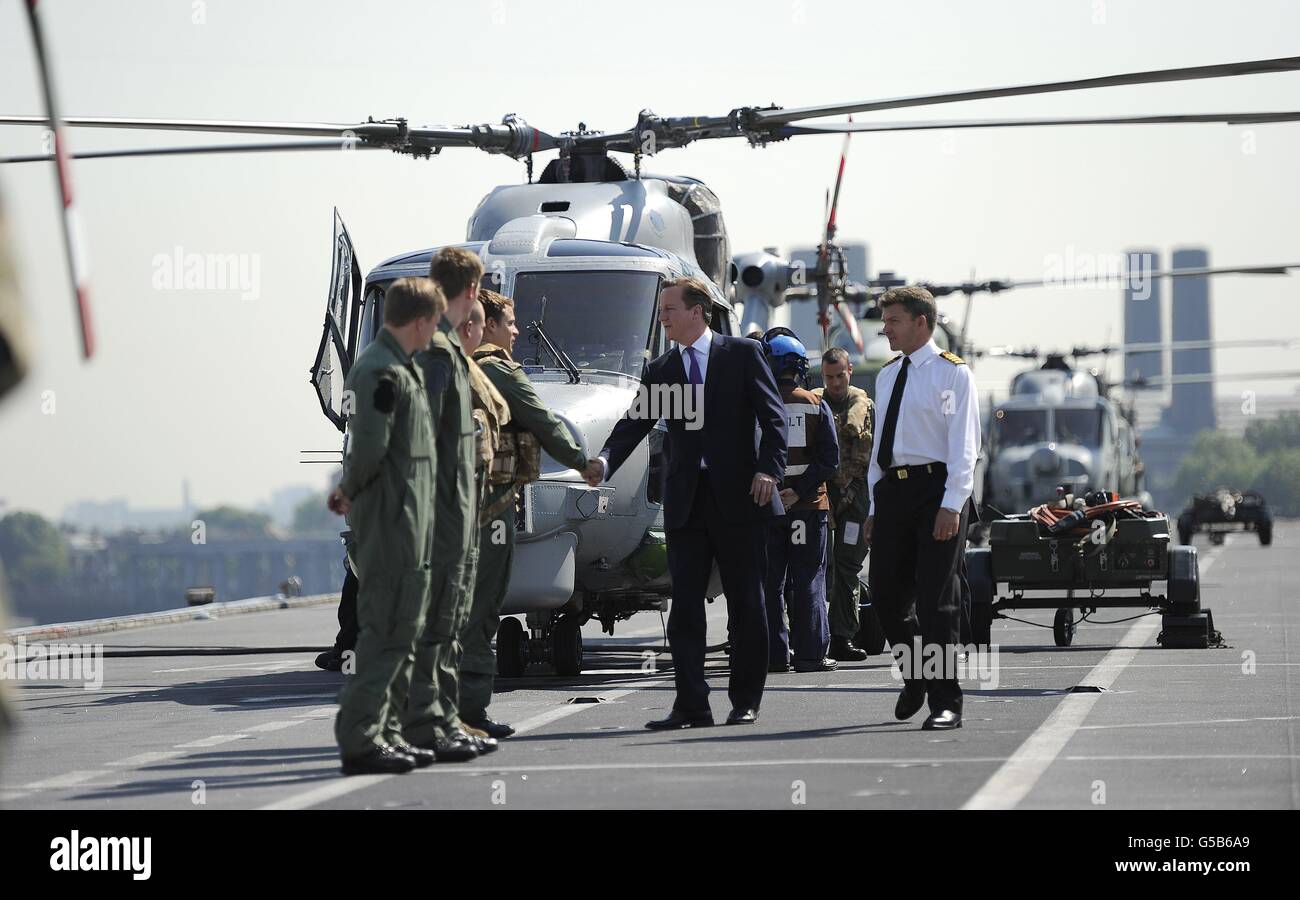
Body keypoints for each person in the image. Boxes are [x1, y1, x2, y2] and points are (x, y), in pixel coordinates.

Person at [588, 275, 787, 728]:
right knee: (685, 610)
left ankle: (745, 700)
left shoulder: (742, 355)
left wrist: (769, 470)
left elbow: (774, 419)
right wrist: (605, 460)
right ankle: (692, 705)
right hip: (686, 503)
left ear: (697, 311)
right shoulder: (662, 369)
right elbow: (634, 423)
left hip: (740, 499)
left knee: (747, 604)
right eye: (661, 310)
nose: (662, 318)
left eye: (669, 310)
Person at [465, 289, 595, 738]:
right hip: (492, 504)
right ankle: (470, 713)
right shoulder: (498, 371)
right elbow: (542, 419)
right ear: (489, 325)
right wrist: (582, 461)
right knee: (483, 609)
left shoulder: (443, 367)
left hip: (445, 508)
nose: (517, 331)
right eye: (510, 323)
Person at [326, 276, 443, 775]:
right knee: (382, 635)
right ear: (419, 321)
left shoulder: (398, 367)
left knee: (402, 633)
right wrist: (350, 489)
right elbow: (370, 446)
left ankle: (387, 733)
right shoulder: (380, 371)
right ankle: (360, 740)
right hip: (390, 520)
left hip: (408, 517)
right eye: (434, 322)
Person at [865, 286, 981, 731]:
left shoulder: (953, 374)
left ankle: (945, 701)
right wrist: (874, 505)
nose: (886, 329)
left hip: (938, 491)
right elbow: (880, 448)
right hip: (894, 492)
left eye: (893, 320)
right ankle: (917, 673)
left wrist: (952, 505)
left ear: (921, 322)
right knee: (885, 595)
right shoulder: (887, 375)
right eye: (885, 321)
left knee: (936, 601)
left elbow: (964, 447)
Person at [403, 247, 495, 761]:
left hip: (453, 510)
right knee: (436, 623)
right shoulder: (439, 353)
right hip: (441, 513)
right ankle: (427, 725)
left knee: (448, 622)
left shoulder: (444, 350)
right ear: (472, 290)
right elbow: (424, 441)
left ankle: (442, 719)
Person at [760, 329, 840, 674]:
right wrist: (799, 492)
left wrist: (779, 494)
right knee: (809, 579)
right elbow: (830, 461)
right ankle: (811, 655)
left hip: (768, 509)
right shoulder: (816, 404)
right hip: (807, 511)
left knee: (770, 583)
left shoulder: (756, 404)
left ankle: (774, 656)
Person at [813, 347, 874, 662]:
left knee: (848, 566)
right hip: (818, 494)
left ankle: (842, 636)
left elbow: (873, 457)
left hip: (854, 497)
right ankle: (809, 634)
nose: (835, 383)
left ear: (850, 370)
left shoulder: (865, 406)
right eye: (829, 377)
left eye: (840, 376)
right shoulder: (812, 404)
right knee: (812, 566)